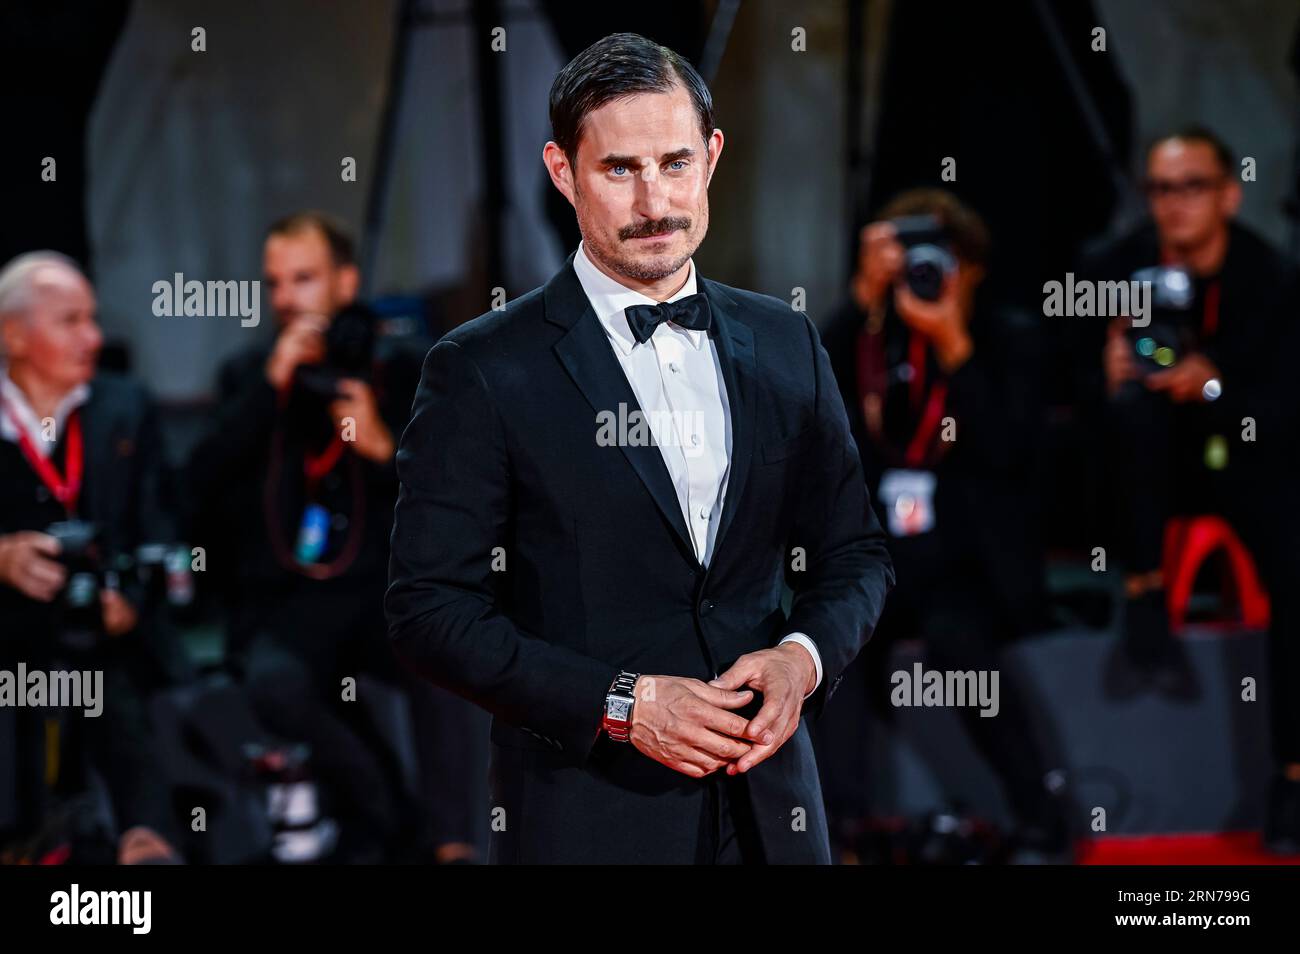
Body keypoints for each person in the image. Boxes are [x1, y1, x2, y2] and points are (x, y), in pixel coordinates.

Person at [386, 32, 894, 864]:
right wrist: (620, 703)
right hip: (588, 819)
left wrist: (801, 661)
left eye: (676, 162)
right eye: (620, 169)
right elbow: (429, 612)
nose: (656, 201)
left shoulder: (786, 341)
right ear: (562, 172)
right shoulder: (481, 369)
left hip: (775, 812)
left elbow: (856, 553)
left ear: (713, 156)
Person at [183, 213, 487, 862]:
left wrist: (383, 446)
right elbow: (198, 483)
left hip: (390, 588)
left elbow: (458, 491)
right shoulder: (250, 375)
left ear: (345, 283)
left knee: (444, 660)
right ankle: (387, 811)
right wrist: (272, 387)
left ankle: (454, 844)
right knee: (275, 685)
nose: (287, 298)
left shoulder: (406, 365)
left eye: (304, 279)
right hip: (293, 598)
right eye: (275, 284)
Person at [816, 189, 1069, 861]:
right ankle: (841, 827)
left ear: (975, 269)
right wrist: (861, 301)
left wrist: (954, 345)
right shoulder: (871, 333)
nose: (926, 274)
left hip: (968, 563)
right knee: (835, 641)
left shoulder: (1008, 337)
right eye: (910, 258)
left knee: (961, 644)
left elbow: (1011, 450)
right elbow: (812, 413)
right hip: (878, 556)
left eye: (941, 258)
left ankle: (1041, 813)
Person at [1082, 127, 1300, 853]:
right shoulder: (1115, 267)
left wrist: (1209, 383)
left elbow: (1285, 410)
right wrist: (1107, 375)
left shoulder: (1272, 279)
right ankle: (1144, 586)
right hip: (1145, 470)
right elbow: (1047, 387)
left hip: (1243, 459)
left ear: (1229, 194)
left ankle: (1291, 777)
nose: (1172, 205)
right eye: (1160, 189)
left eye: (1191, 187)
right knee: (1131, 412)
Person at [0, 251, 180, 864]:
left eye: (93, 318)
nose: (93, 337)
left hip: (107, 634)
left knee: (114, 693)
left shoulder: (124, 406)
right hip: (12, 636)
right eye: (70, 321)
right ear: (13, 335)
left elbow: (160, 525)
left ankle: (145, 846)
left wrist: (130, 595)